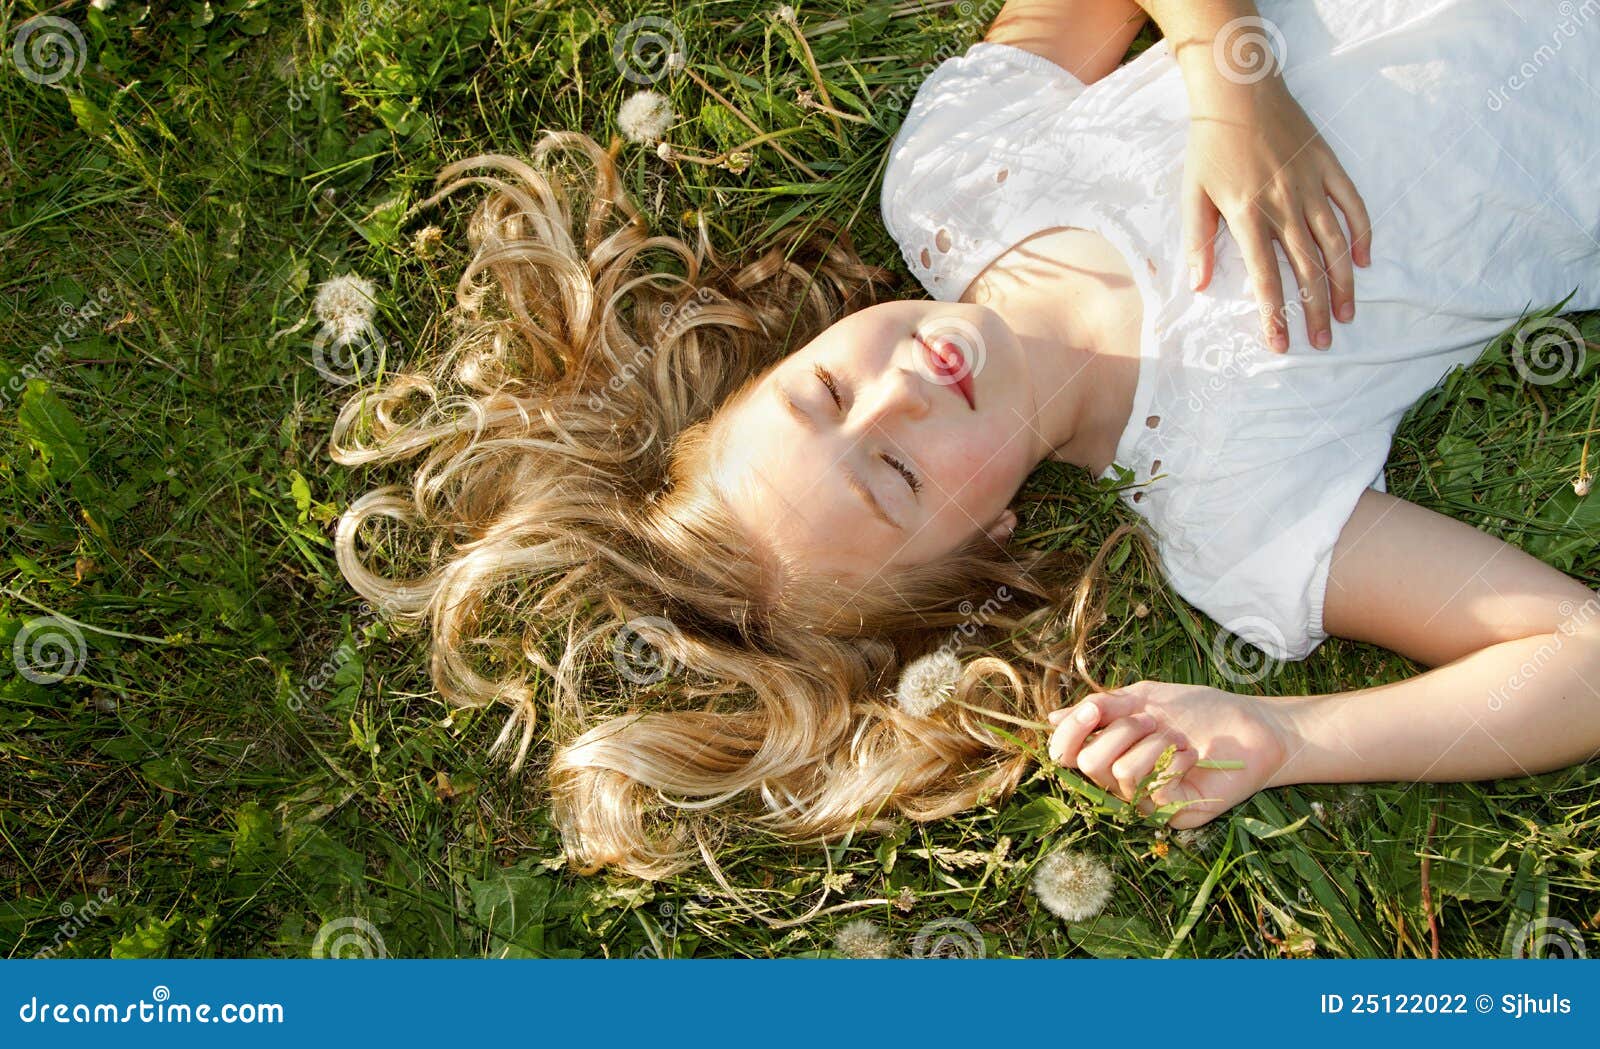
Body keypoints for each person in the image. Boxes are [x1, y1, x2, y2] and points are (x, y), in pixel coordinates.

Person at [331, 0, 1600, 880]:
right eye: (893, 474)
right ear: (989, 538)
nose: (900, 397)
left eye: (824, 393)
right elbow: (1577, 657)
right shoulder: (1231, 501)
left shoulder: (954, 182)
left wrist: (1227, 73)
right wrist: (1288, 742)